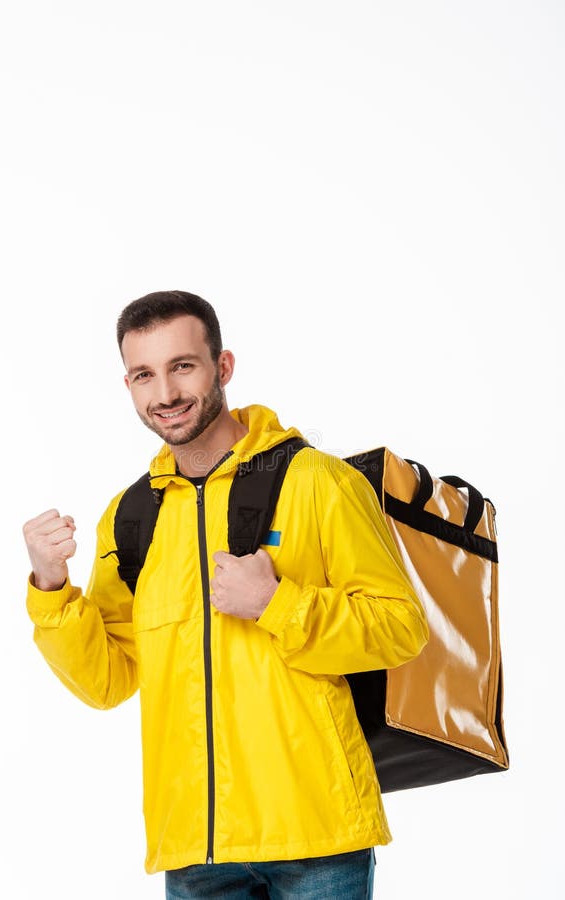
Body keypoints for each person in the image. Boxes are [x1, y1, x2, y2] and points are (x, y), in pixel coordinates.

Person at [23, 290, 429, 899]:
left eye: (182, 366)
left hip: (316, 836)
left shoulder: (316, 481)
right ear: (128, 385)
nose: (165, 393)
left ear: (224, 366)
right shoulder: (131, 516)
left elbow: (401, 627)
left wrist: (277, 604)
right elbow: (107, 680)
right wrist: (51, 588)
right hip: (195, 848)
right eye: (144, 375)